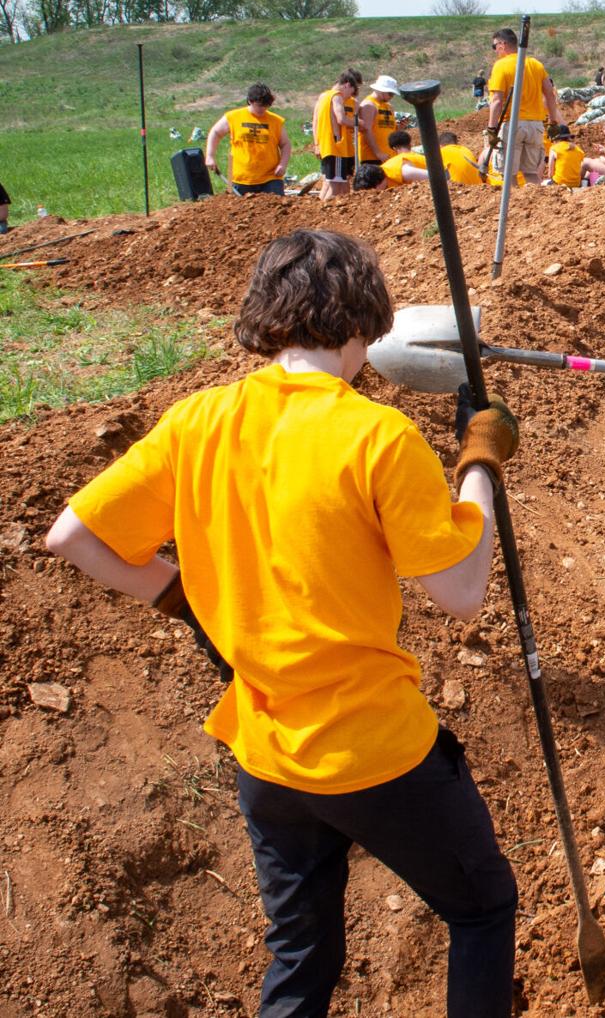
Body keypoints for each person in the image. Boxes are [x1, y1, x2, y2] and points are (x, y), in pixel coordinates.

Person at [45, 228, 522, 1016]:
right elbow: (462, 589)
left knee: (302, 953)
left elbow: (72, 536)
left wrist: (184, 600)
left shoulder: (199, 420)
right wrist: (481, 461)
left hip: (265, 753)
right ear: (365, 321)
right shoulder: (377, 435)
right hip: (372, 750)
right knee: (481, 909)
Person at [483, 27, 565, 186]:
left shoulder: (501, 66)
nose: (495, 51)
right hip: (535, 126)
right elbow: (550, 94)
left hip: (511, 125)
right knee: (531, 173)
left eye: (495, 46)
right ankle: (535, 200)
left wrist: (491, 129)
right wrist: (553, 122)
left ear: (502, 44)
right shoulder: (536, 64)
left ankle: (513, 202)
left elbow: (497, 101)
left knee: (509, 175)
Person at [205, 83, 290, 197]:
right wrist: (210, 156)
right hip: (239, 177)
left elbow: (285, 144)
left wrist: (282, 164)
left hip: (270, 177)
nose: (263, 109)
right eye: (259, 105)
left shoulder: (276, 121)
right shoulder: (233, 117)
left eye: (266, 106)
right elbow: (215, 132)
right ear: (250, 101)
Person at [313, 69, 360, 199]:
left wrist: (317, 143)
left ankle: (322, 207)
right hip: (337, 144)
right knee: (335, 187)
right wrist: (358, 123)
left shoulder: (324, 96)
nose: (350, 96)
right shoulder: (337, 96)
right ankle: (326, 209)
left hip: (327, 142)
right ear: (347, 85)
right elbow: (341, 119)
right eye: (351, 92)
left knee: (336, 183)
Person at [356, 75, 399, 166]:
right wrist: (378, 153)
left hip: (389, 156)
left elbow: (391, 130)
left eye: (393, 94)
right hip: (372, 158)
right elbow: (366, 130)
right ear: (381, 90)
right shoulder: (369, 105)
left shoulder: (389, 106)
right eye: (390, 93)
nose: (392, 96)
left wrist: (400, 127)